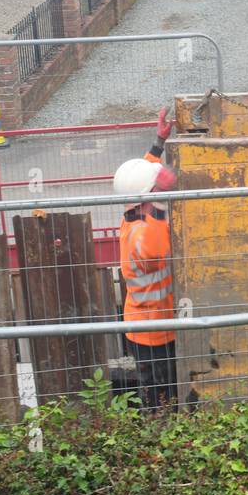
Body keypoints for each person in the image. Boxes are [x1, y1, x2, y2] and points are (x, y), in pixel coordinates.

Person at [114, 108, 178, 410]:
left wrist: (158, 143)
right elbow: (175, 237)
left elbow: (142, 178)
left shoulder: (132, 215)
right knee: (161, 396)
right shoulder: (148, 235)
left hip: (142, 325)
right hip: (155, 332)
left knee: (157, 391)